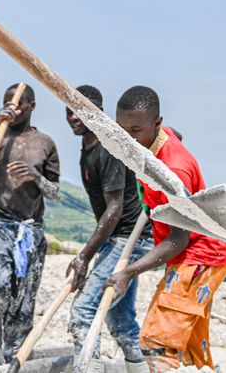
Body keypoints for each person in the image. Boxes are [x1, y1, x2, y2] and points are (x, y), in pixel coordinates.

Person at [105, 85, 226, 372]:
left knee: (157, 344)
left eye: (135, 131)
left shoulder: (173, 171)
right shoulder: (154, 140)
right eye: (122, 130)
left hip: (199, 257)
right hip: (193, 256)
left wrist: (129, 271)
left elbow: (178, 240)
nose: (128, 140)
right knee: (190, 354)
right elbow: (177, 134)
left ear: (157, 124)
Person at [65, 85, 153, 372]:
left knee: (84, 311)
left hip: (129, 239)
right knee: (121, 320)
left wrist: (84, 256)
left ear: (98, 112)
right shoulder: (88, 146)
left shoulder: (107, 146)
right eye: (69, 110)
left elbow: (114, 210)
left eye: (81, 110)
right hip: (120, 238)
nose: (74, 117)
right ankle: (138, 368)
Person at [0, 83, 60, 365]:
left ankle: (15, 357)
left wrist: (36, 176)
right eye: (8, 102)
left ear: (32, 106)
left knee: (24, 297)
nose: (13, 108)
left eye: (19, 104)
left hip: (30, 228)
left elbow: (55, 192)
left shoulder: (45, 143)